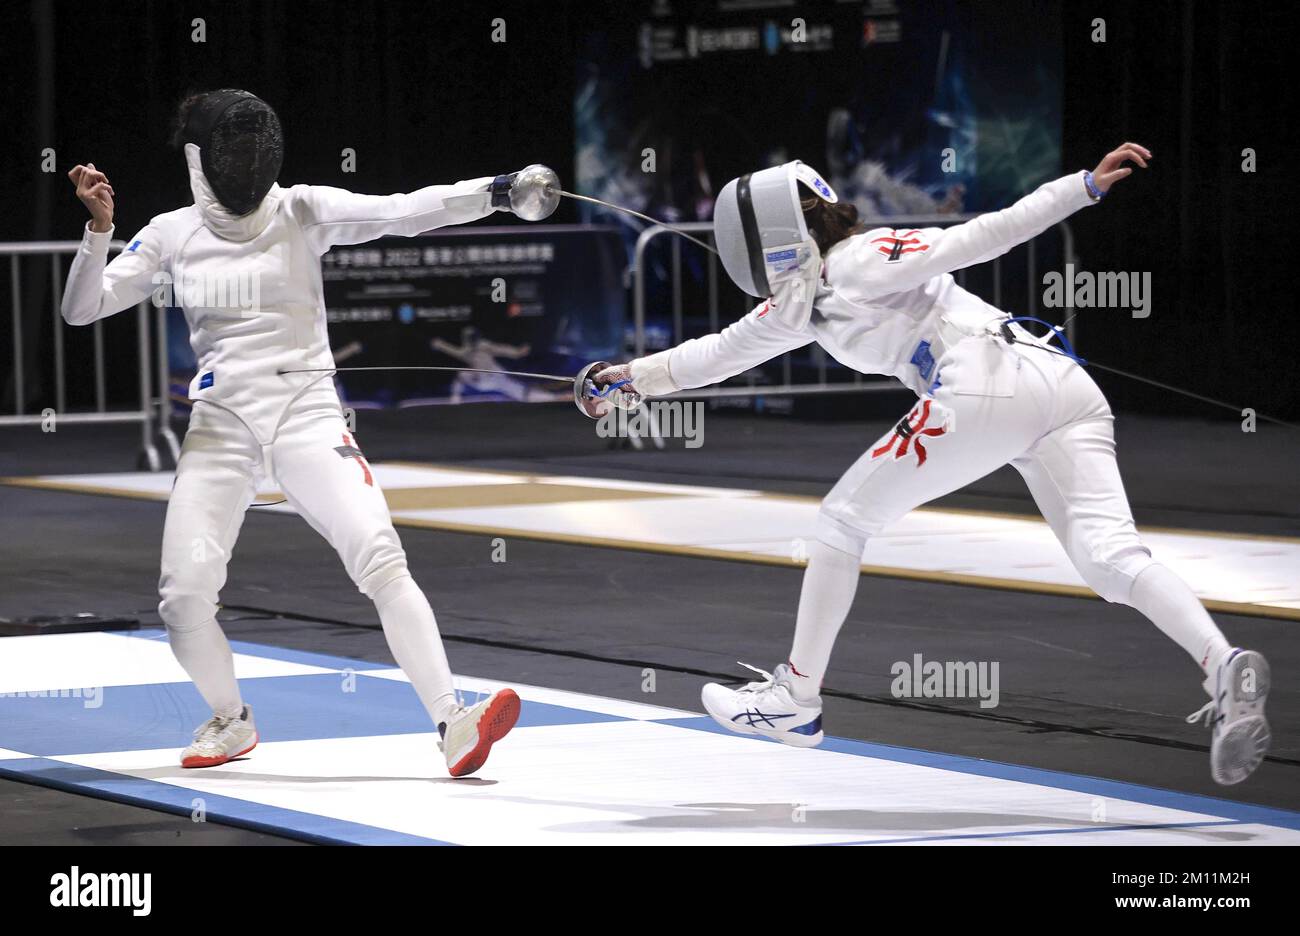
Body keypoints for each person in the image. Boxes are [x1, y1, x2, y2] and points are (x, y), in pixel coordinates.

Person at [588, 144, 1271, 786]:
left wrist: (1082, 188)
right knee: (1110, 558)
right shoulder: (803, 303)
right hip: (1059, 386)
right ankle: (1223, 666)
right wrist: (628, 381)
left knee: (840, 522)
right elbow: (716, 353)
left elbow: (981, 235)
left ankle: (797, 697)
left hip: (984, 379)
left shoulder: (859, 259)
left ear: (774, 231)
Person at [62, 89, 537, 776]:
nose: (247, 160)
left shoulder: (301, 208)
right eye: (233, 147)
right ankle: (230, 718)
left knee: (379, 553)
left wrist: (496, 191)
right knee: (183, 598)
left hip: (307, 414)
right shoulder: (170, 232)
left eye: (254, 146)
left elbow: (404, 211)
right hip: (222, 426)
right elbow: (84, 309)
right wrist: (100, 229)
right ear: (201, 158)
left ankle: (452, 721)